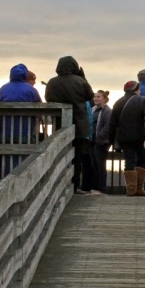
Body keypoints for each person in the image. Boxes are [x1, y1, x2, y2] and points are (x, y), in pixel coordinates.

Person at [45, 56, 95, 193]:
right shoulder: (79, 81)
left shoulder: (52, 82)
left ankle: (59, 186)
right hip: (79, 124)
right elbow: (90, 96)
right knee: (77, 157)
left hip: (59, 124)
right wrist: (82, 77)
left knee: (60, 156)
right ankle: (74, 186)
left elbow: (48, 98)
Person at [0, 63, 43, 178]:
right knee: (25, 157)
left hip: (6, 132)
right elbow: (40, 106)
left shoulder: (3, 89)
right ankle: (23, 179)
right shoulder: (31, 90)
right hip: (25, 132)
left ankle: (6, 178)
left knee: (7, 157)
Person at [111, 81, 145, 196]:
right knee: (141, 160)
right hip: (140, 136)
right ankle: (139, 189)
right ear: (136, 90)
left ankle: (131, 189)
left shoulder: (118, 102)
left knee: (129, 161)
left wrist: (113, 141)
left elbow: (112, 123)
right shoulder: (142, 101)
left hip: (124, 137)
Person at [90, 90, 113, 194]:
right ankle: (95, 187)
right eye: (95, 97)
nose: (95, 98)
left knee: (100, 165)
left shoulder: (107, 111)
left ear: (104, 99)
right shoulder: (93, 110)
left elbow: (108, 125)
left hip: (101, 142)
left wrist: (100, 136)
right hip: (92, 140)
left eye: (98, 97)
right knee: (94, 165)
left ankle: (101, 188)